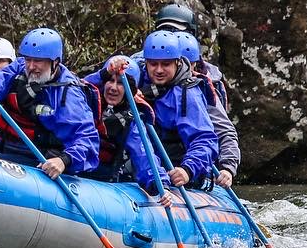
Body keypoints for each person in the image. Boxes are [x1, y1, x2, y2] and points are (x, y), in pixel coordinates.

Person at [0, 27, 100, 178]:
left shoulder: (69, 94)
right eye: (28, 60)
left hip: (40, 164)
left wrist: (64, 160)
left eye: (38, 61)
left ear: (55, 62)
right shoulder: (21, 65)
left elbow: (87, 139)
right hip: (6, 153)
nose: (31, 66)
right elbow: (2, 76)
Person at [112, 30, 219, 197]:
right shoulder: (137, 78)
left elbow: (204, 140)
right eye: (153, 64)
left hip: (176, 170)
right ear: (146, 62)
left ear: (177, 62)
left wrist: (187, 170)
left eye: (166, 64)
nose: (159, 70)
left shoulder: (187, 94)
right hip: (138, 165)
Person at [177, 32, 240, 188]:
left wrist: (227, 168)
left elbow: (224, 132)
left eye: (189, 65)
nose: (184, 70)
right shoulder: (146, 82)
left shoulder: (199, 90)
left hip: (191, 168)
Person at [84, 60, 147, 182]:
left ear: (131, 90)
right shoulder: (88, 100)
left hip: (104, 179)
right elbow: (79, 85)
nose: (113, 88)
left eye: (120, 83)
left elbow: (143, 154)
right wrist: (105, 72)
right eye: (110, 81)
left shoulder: (132, 119)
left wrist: (161, 183)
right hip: (74, 168)